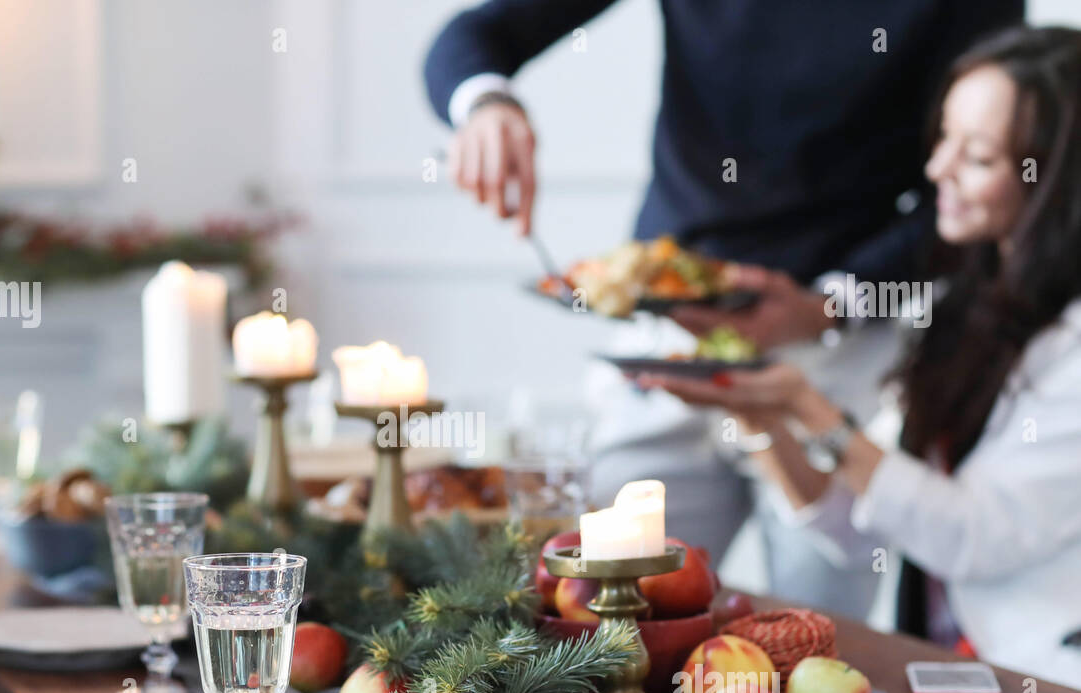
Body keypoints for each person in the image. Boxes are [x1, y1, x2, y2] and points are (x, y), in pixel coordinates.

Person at [424, 0, 1023, 618]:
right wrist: (488, 107)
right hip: (669, 345)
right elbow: (477, 35)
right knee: (597, 607)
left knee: (813, 627)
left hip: (837, 352)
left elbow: (970, 190)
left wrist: (826, 306)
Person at [639, 26, 1081, 688]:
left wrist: (808, 406)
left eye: (979, 158)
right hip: (948, 681)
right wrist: (760, 413)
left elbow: (970, 535)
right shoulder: (956, 309)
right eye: (943, 140)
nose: (937, 172)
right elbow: (861, 524)